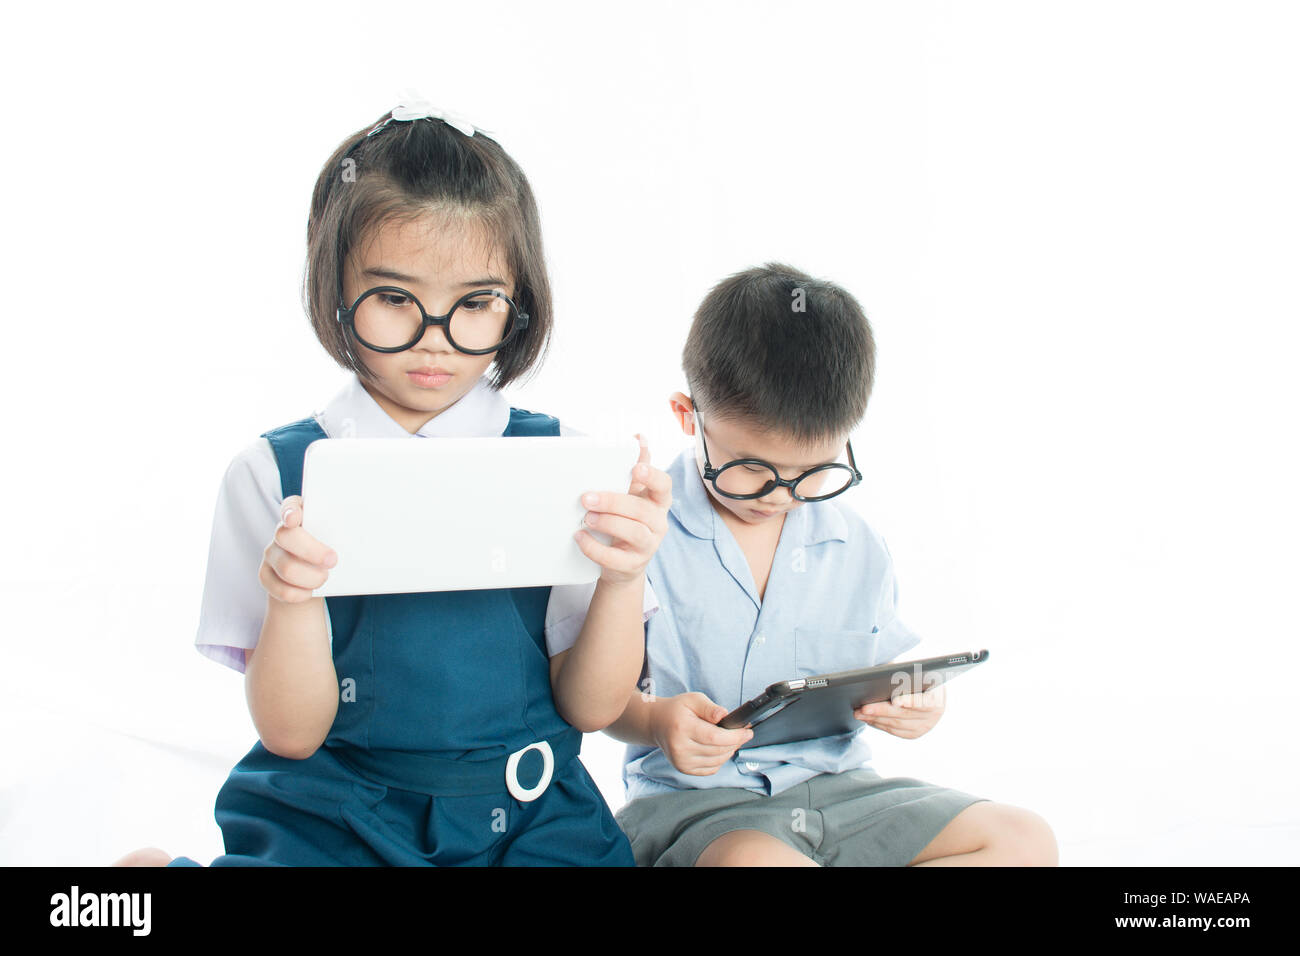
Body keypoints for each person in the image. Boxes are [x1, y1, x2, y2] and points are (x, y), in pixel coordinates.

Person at [114, 99, 670, 867]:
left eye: (475, 304)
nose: (434, 342)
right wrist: (292, 599)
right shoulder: (273, 475)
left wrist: (623, 580)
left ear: (518, 302)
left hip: (531, 818)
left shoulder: (560, 464)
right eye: (395, 300)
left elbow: (592, 706)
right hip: (335, 819)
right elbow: (291, 732)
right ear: (335, 287)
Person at [587, 262, 1058, 866]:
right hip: (702, 808)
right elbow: (599, 702)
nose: (781, 495)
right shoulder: (642, 535)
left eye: (812, 472)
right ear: (687, 416)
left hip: (845, 795)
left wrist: (916, 702)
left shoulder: (856, 545)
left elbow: (872, 678)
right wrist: (656, 723)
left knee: (1025, 838)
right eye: (752, 468)